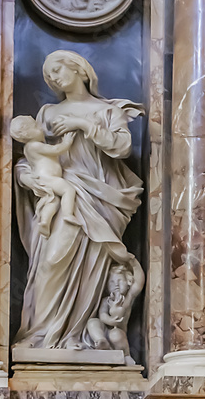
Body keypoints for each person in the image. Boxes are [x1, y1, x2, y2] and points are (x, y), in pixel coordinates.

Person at [13, 50, 145, 357]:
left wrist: (84, 125)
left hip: (100, 197)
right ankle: (42, 333)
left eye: (58, 70)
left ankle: (78, 333)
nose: (53, 78)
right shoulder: (47, 113)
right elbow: (30, 155)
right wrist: (26, 178)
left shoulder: (108, 110)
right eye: (49, 76)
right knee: (51, 260)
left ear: (81, 71)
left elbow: (123, 147)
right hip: (60, 194)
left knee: (90, 269)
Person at [10, 115, 77, 236]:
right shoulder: (35, 146)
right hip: (49, 178)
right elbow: (56, 149)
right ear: (27, 134)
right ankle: (68, 214)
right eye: (36, 126)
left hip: (43, 179)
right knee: (68, 190)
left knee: (53, 201)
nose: (41, 127)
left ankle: (45, 221)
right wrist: (67, 142)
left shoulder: (28, 148)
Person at [86, 261, 144, 365]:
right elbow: (102, 314)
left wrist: (133, 262)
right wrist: (110, 320)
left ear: (128, 283)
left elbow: (139, 283)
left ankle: (126, 355)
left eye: (120, 281)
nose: (116, 284)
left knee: (115, 335)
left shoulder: (128, 298)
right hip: (105, 331)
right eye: (112, 282)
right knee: (92, 322)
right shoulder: (106, 300)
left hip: (118, 332)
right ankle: (101, 341)